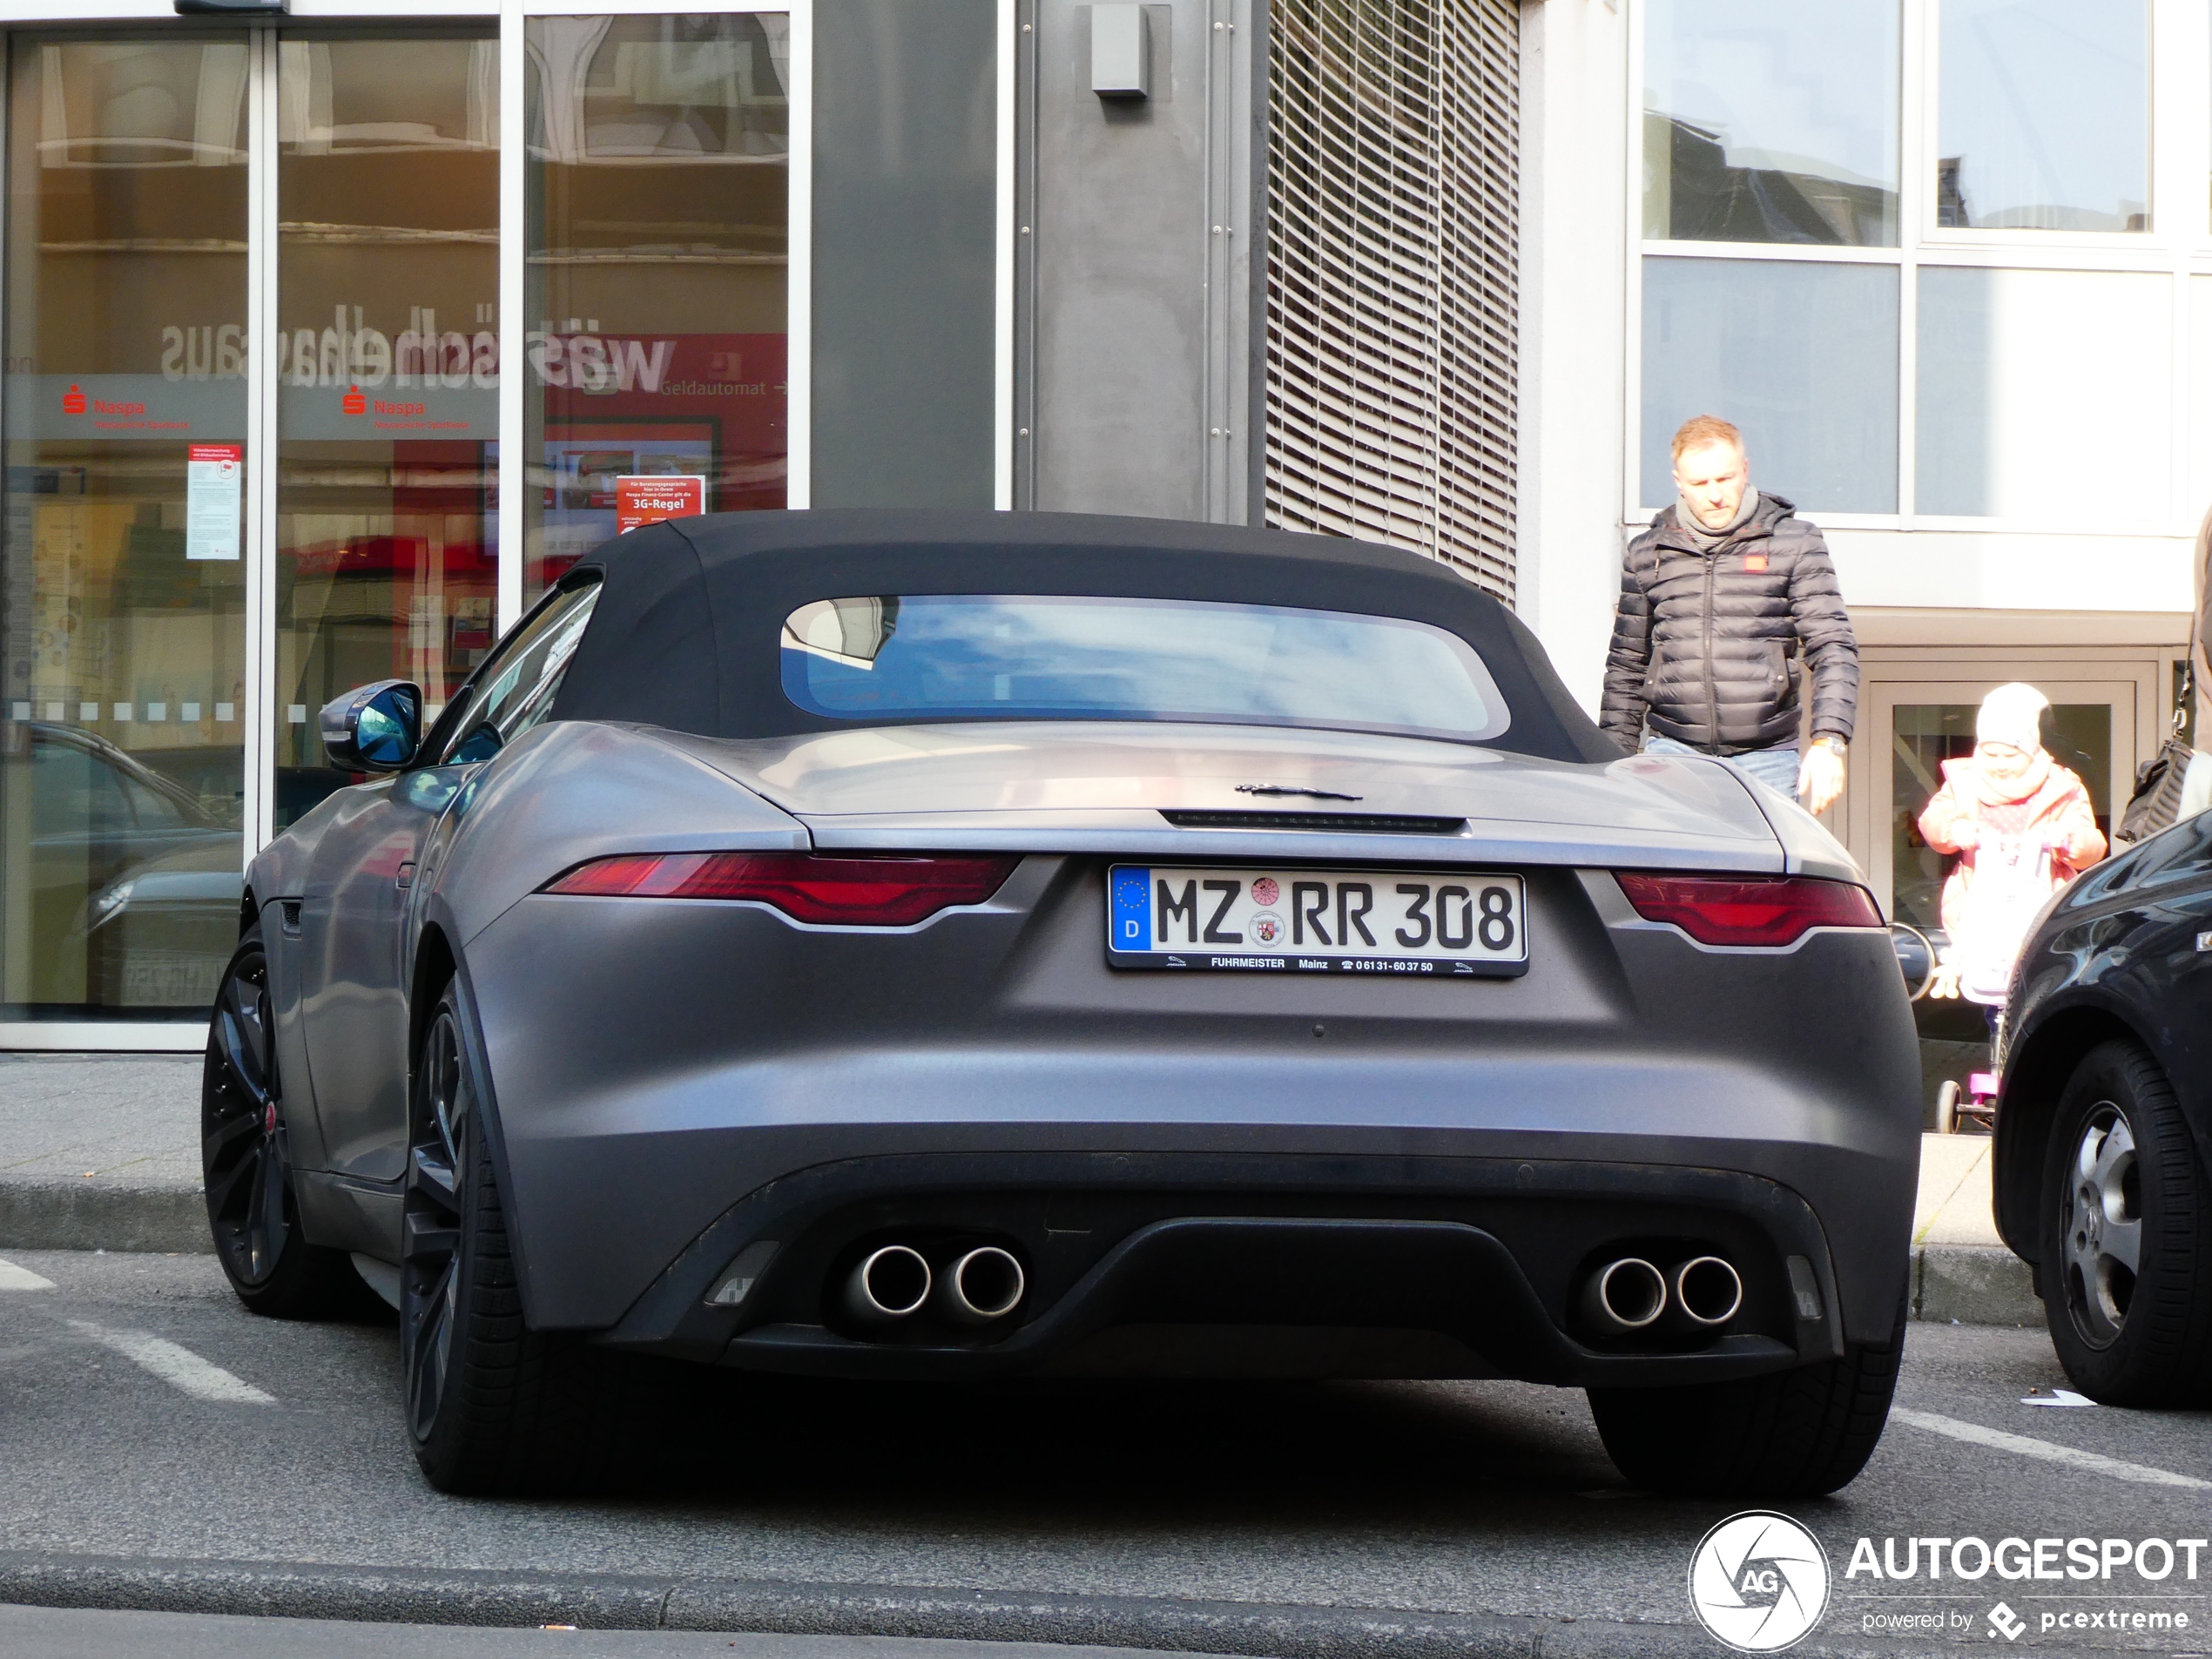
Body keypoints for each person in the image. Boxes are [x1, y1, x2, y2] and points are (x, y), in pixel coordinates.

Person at [1600, 415, 1858, 814]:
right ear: (1678, 482)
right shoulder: (1648, 553)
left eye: (1725, 479)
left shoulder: (1794, 543)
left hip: (1767, 756)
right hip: (1672, 754)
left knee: (1758, 877)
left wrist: (1830, 742)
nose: (1714, 495)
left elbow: (1833, 647)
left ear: (1745, 471)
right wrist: (1611, 762)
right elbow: (1627, 665)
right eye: (1700, 484)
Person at [1918, 682, 2106, 1008]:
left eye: (2011, 754)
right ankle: (1996, 1047)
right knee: (1990, 987)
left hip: (2041, 899)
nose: (2000, 763)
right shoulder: (1963, 781)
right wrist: (1955, 829)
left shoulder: (2061, 785)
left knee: (2035, 987)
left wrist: (2070, 840)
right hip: (1981, 904)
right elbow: (1933, 822)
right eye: (1990, 754)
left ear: (2032, 751)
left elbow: (2091, 843)